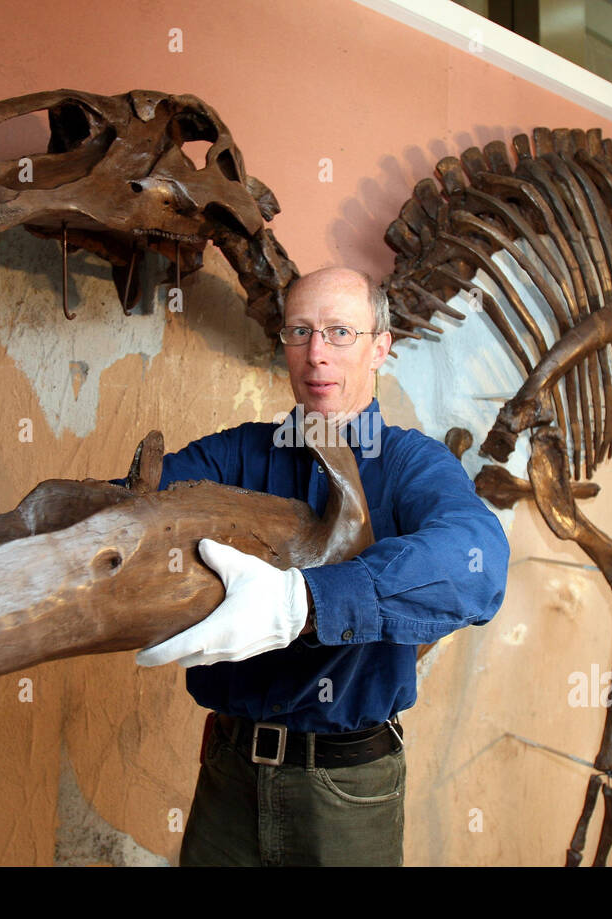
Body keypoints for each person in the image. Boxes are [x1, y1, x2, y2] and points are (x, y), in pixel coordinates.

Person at [127, 266, 509, 866]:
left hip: (346, 790)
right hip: (228, 770)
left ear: (380, 347)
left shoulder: (412, 464)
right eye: (299, 332)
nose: (316, 355)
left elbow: (478, 564)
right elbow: (130, 513)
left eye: (339, 333)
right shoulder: (235, 454)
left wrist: (304, 601)